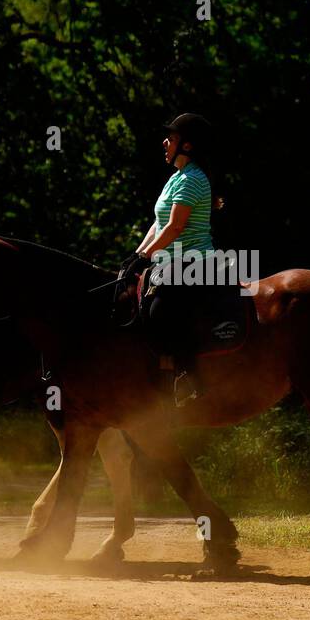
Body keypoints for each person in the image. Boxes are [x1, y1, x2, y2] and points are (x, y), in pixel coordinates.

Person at [121, 113, 217, 406]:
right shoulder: (176, 179)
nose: (165, 143)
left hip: (195, 262)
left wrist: (147, 256)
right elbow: (158, 225)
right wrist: (137, 256)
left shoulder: (194, 180)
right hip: (172, 261)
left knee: (160, 309)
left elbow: (176, 227)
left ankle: (189, 377)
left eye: (171, 139)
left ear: (186, 146)